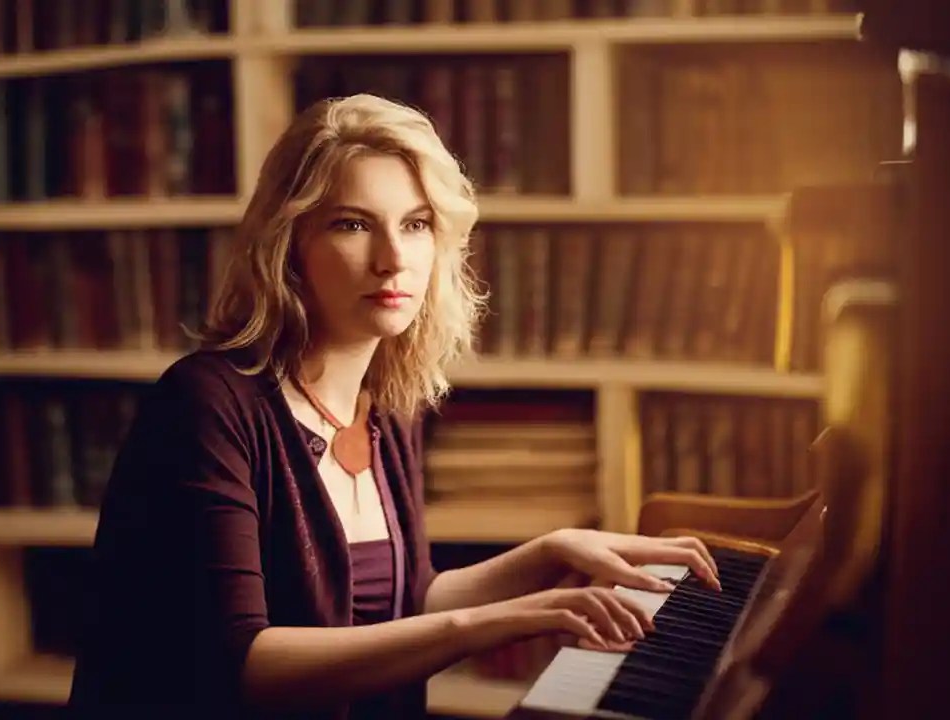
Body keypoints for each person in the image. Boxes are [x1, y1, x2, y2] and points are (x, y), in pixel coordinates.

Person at [67, 94, 721, 719]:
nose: (392, 258)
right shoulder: (206, 403)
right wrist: (494, 624)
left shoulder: (386, 404)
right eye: (353, 225)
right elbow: (248, 664)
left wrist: (552, 552)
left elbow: (403, 600)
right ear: (289, 245)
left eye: (416, 224)